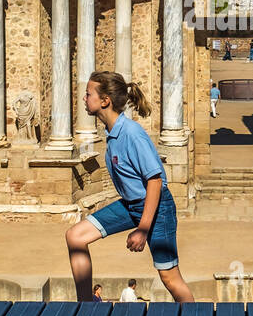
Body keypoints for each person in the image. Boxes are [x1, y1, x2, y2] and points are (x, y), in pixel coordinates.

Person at [64, 72, 195, 303]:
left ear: (105, 101)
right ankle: (85, 305)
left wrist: (143, 229)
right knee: (75, 236)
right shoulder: (112, 132)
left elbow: (155, 181)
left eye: (88, 94)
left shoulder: (132, 133)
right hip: (131, 204)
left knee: (169, 277)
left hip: (157, 208)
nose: (84, 99)